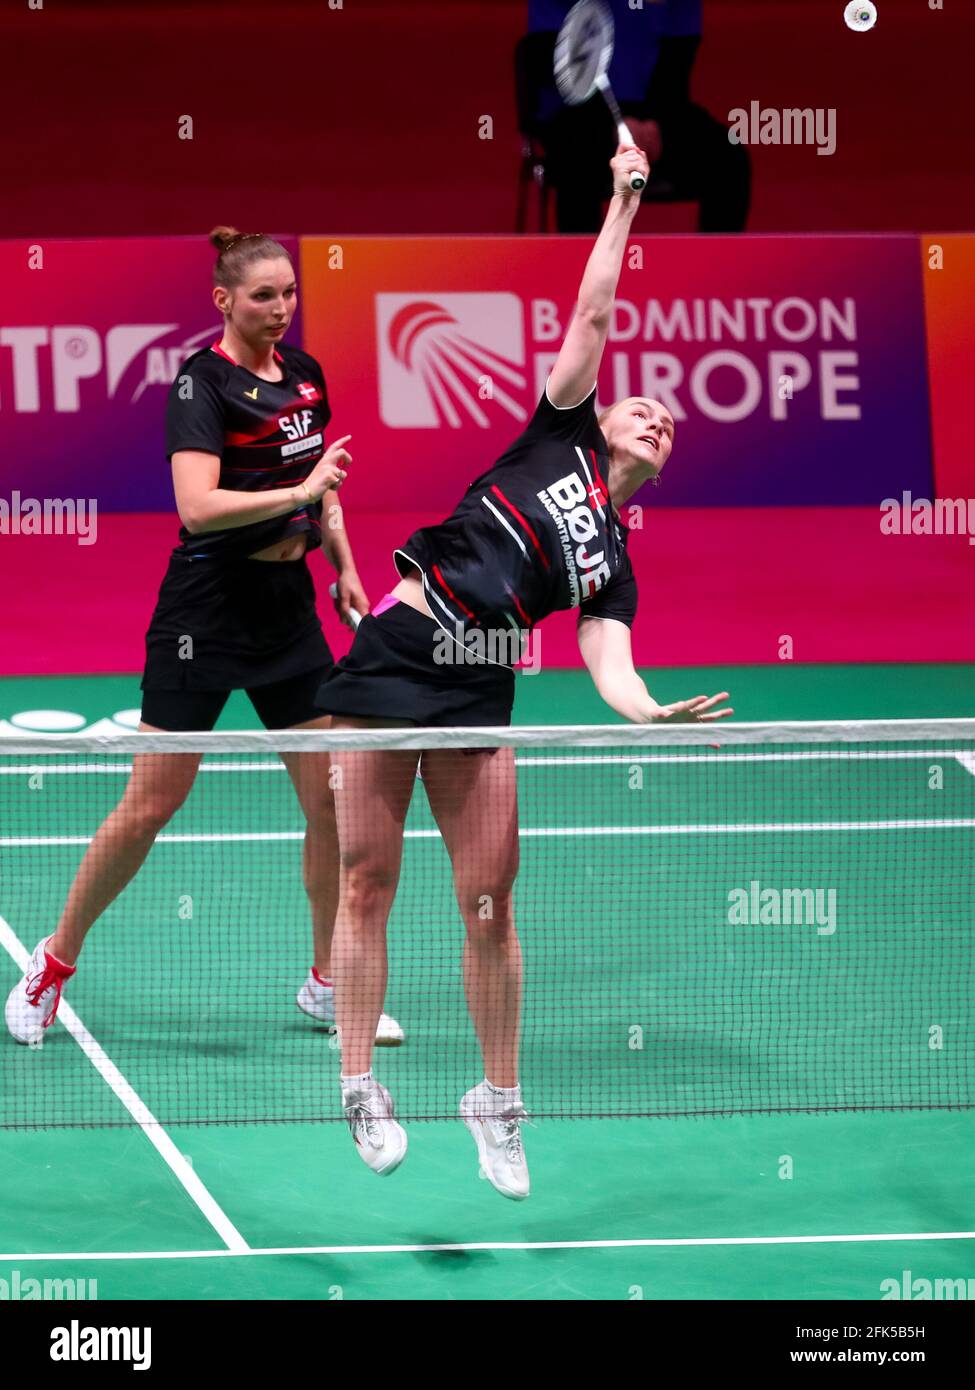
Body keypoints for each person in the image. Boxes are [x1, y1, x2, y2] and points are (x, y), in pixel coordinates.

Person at [316, 145, 732, 1199]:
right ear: (600, 415)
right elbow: (594, 310)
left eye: (671, 422)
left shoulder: (614, 560)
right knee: (367, 880)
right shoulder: (558, 435)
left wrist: (648, 714)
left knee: (491, 901)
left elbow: (610, 657)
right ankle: (359, 1081)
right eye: (643, 406)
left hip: (481, 677)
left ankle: (496, 1105)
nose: (657, 415)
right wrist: (625, 198)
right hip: (400, 646)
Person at [5, 227, 403, 1048]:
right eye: (263, 296)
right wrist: (304, 485)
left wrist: (343, 563)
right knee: (155, 801)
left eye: (289, 293)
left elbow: (324, 489)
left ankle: (327, 980)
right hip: (207, 610)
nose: (281, 308)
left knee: (330, 802)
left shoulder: (305, 376)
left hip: (287, 610)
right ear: (224, 301)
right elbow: (198, 507)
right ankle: (52, 963)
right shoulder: (201, 386)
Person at [526, 0, 750, 233]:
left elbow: (675, 67)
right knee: (576, 157)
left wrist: (657, 124)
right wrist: (615, 124)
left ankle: (715, 266)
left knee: (729, 158)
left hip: (657, 109)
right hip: (579, 108)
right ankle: (585, 265)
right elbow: (548, 59)